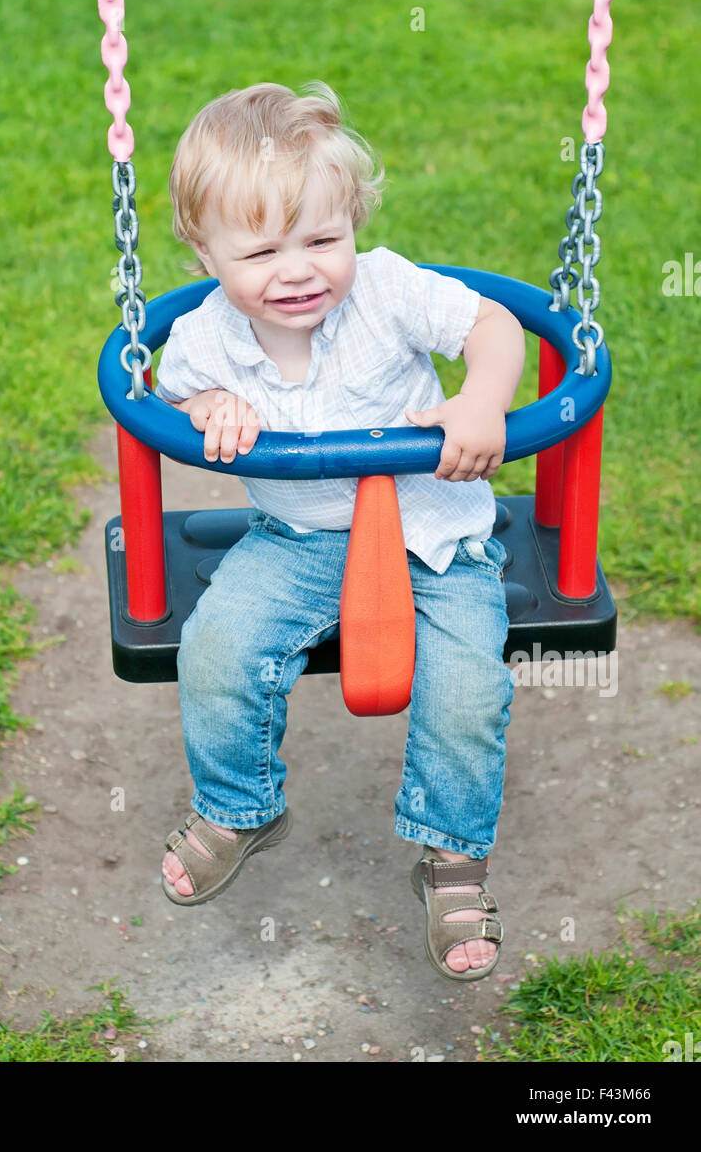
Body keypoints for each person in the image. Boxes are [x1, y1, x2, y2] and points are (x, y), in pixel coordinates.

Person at [153, 81, 525, 981]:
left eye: (323, 239)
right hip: (298, 543)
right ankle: (241, 806)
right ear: (205, 251)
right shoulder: (206, 338)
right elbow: (168, 387)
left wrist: (479, 399)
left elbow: (491, 323)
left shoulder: (388, 291)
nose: (297, 270)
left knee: (469, 690)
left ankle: (452, 858)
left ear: (353, 224)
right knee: (214, 648)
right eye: (261, 250)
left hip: (437, 537)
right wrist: (209, 404)